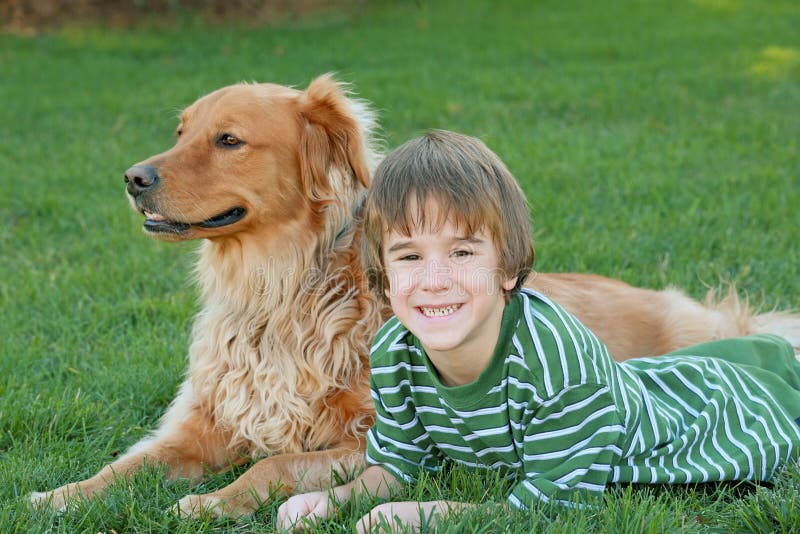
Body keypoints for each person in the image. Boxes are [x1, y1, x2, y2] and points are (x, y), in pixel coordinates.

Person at [276, 130, 800, 532]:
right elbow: (395, 463)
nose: (434, 281)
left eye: (462, 252)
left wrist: (433, 512)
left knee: (770, 383)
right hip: (636, 386)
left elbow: (557, 503)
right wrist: (336, 500)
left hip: (709, 421)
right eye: (409, 256)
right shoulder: (394, 351)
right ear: (383, 279)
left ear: (507, 269)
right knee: (675, 374)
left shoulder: (552, 357)